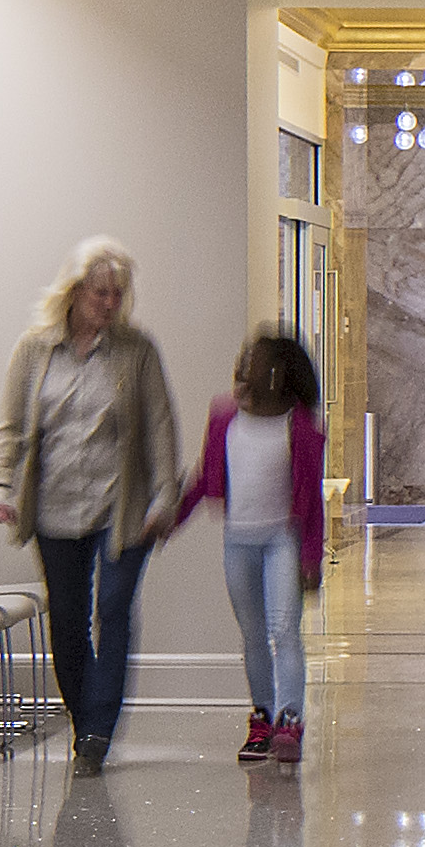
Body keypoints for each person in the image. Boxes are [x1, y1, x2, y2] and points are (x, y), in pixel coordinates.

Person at [0, 235, 176, 777]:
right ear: (74, 291)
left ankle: (96, 734)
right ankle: (82, 716)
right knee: (66, 620)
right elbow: (11, 426)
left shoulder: (137, 351)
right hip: (54, 504)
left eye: (118, 294)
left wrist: (166, 496)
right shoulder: (35, 348)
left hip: (123, 506)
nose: (110, 304)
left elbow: (161, 425)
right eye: (100, 294)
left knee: (112, 612)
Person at [171, 327, 329, 766]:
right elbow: (206, 477)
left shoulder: (300, 425)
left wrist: (312, 558)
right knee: (253, 635)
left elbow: (312, 499)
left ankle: (290, 718)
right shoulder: (224, 415)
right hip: (238, 539)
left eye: (254, 358)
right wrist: (170, 519)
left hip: (283, 538)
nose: (244, 364)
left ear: (277, 372)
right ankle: (261, 718)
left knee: (284, 631)